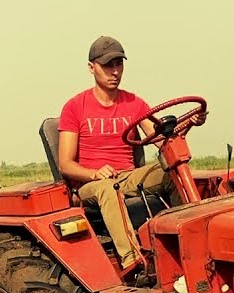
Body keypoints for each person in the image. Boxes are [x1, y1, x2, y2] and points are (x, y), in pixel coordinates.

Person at [57, 36, 177, 276]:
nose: (114, 71)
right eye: (107, 65)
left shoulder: (134, 103)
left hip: (127, 176)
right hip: (92, 184)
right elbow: (65, 164)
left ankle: (182, 244)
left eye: (118, 64)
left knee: (171, 171)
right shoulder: (75, 107)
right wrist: (93, 173)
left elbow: (156, 136)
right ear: (92, 68)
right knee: (108, 189)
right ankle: (133, 263)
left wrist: (183, 128)